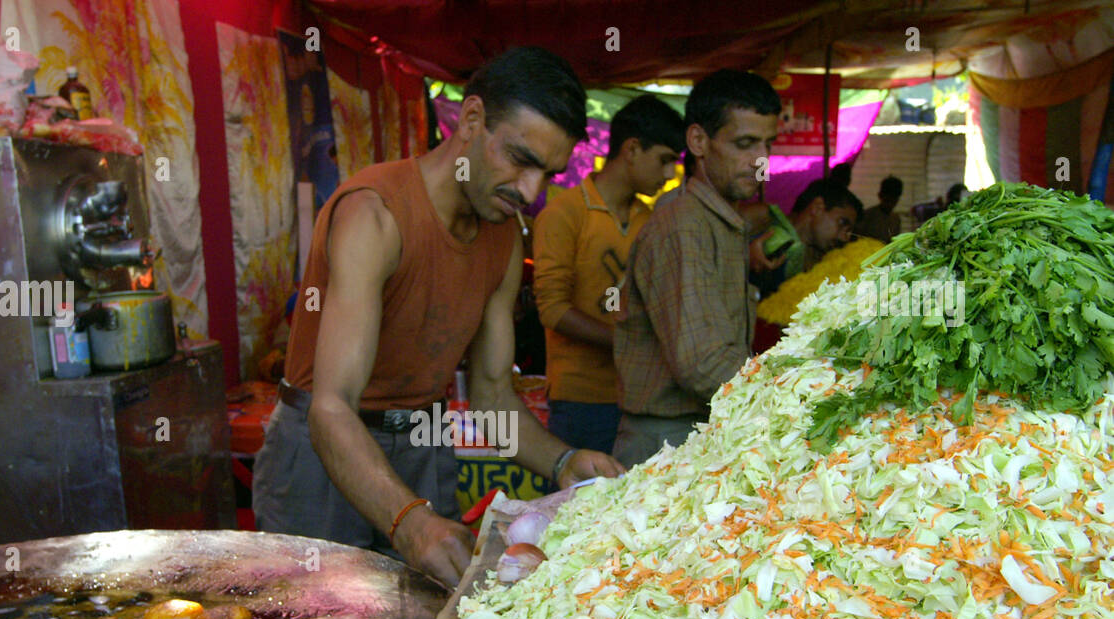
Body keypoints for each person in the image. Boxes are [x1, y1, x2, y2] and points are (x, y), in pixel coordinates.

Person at [253, 47, 624, 587]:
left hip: (424, 436)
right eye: (519, 159)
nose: (530, 191)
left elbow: (492, 397)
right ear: (471, 120)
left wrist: (563, 461)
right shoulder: (373, 213)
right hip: (320, 452)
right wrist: (409, 524)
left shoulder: (503, 238)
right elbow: (331, 409)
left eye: (547, 173)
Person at [612, 69, 781, 468]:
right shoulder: (683, 225)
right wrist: (788, 395)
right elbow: (701, 363)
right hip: (668, 441)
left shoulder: (719, 222)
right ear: (699, 141)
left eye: (767, 144)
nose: (760, 161)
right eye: (744, 144)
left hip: (697, 428)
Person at [533, 93, 685, 454]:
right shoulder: (564, 213)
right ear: (632, 149)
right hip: (580, 399)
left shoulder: (653, 222)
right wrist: (628, 342)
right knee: (580, 503)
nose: (669, 175)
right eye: (663, 160)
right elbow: (552, 310)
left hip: (642, 398)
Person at [749, 177, 861, 298]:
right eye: (842, 223)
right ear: (817, 207)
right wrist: (743, 255)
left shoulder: (816, 260)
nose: (844, 238)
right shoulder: (763, 217)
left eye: (849, 231)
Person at [854, 175, 903, 243]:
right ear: (880, 196)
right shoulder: (867, 216)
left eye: (893, 200)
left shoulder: (895, 219)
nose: (890, 204)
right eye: (887, 200)